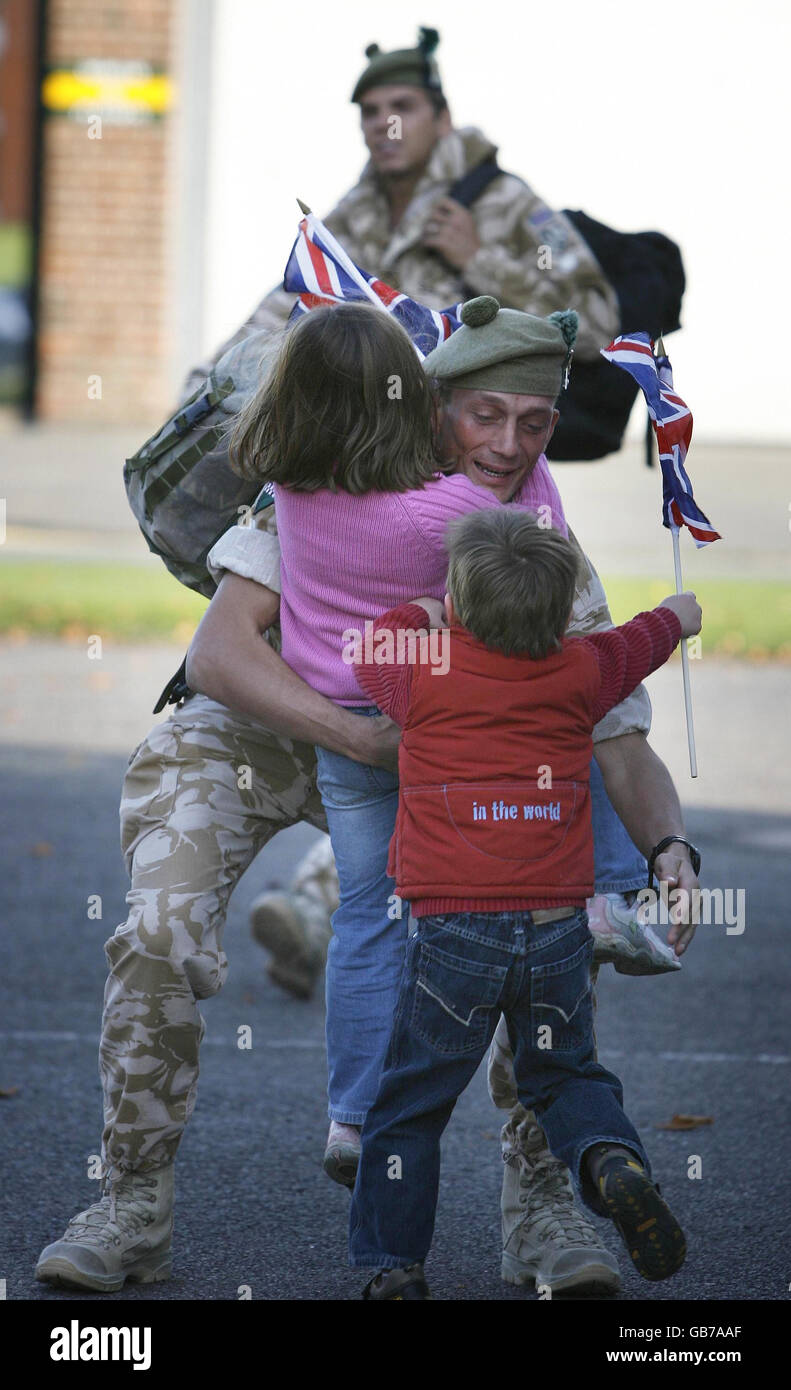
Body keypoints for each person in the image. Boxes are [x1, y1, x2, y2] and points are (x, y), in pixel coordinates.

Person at [34, 300, 699, 1300]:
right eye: (483, 416)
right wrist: (349, 732)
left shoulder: (531, 542)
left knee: (539, 916)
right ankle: (130, 1205)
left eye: (533, 422)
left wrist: (668, 851)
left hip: (433, 755)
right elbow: (218, 654)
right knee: (160, 930)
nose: (507, 445)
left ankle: (543, 1213)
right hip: (269, 724)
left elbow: (612, 727)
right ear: (430, 402)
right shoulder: (333, 468)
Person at [348, 509, 700, 1299]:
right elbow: (643, 640)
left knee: (410, 1100)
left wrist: (423, 612)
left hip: (453, 931)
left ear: (459, 604)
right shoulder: (581, 671)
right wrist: (681, 614)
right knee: (563, 1074)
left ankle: (391, 1264)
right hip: (555, 930)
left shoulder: (422, 671)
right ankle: (610, 1161)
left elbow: (369, 648)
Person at [182, 28, 618, 407]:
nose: (382, 124)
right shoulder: (355, 213)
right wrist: (205, 389)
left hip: (473, 458)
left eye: (402, 107)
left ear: (443, 120)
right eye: (370, 112)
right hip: (372, 449)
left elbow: (596, 327)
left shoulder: (504, 201)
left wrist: (479, 261)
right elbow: (288, 306)